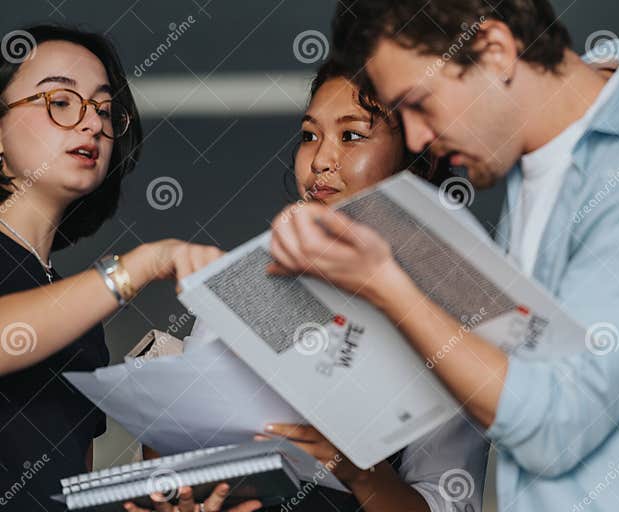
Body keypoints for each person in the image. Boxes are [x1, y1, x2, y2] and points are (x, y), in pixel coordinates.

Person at [268, 1, 619, 510]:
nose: (418, 139)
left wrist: (388, 286)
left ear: (496, 51)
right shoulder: (549, 153)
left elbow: (554, 432)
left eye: (420, 103)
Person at [183, 58, 488, 512]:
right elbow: (173, 448)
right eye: (310, 136)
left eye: (351, 135)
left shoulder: (445, 322)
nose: (321, 160)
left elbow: (447, 503)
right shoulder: (246, 286)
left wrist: (354, 470)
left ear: (416, 157)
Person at [0, 25, 255, 512]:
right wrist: (140, 266)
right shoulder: (97, 290)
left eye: (101, 108)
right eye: (59, 100)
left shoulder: (76, 308)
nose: (92, 124)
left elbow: (68, 489)